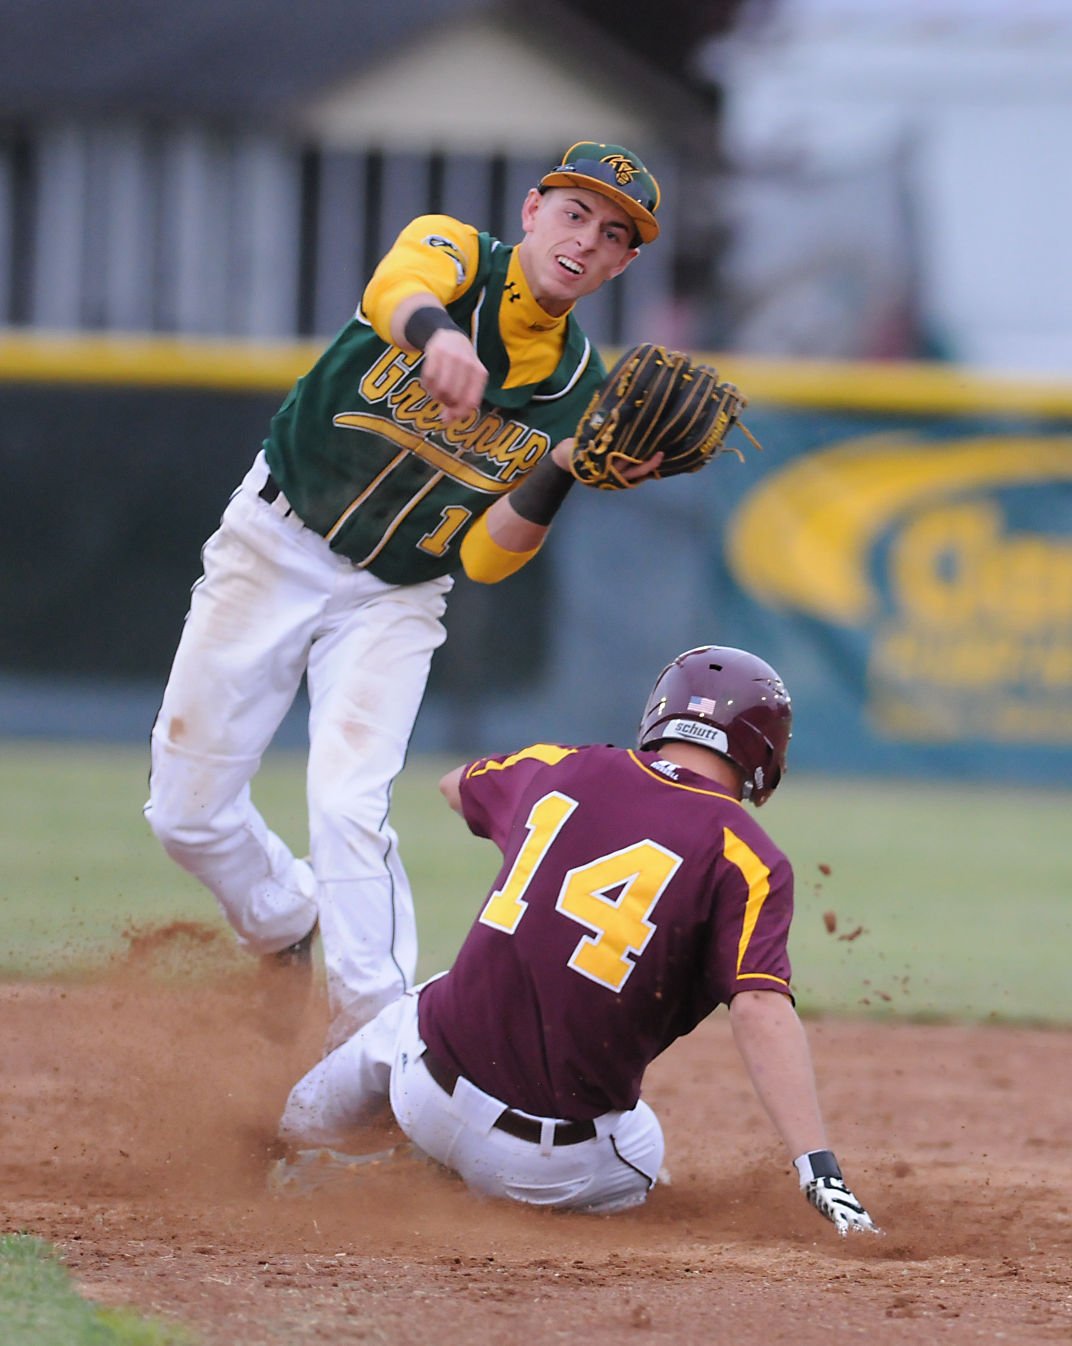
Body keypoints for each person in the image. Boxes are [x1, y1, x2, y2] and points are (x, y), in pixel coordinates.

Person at [144, 141, 664, 1050]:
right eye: (576, 213)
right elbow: (398, 287)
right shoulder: (452, 253)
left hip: (394, 598)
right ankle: (284, 920)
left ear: (624, 262)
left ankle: (382, 1055)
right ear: (534, 210)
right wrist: (441, 337)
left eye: (614, 234)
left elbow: (484, 559)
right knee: (184, 817)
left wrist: (566, 471)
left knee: (348, 804)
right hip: (275, 543)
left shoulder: (581, 394)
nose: (587, 240)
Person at [277, 645, 881, 1235]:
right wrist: (817, 1167)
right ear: (765, 756)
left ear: (659, 715)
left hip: (421, 1091)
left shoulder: (566, 765)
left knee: (423, 1001)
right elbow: (758, 1006)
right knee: (644, 1146)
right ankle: (448, 1187)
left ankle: (291, 1138)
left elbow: (454, 786)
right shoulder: (749, 858)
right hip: (539, 1170)